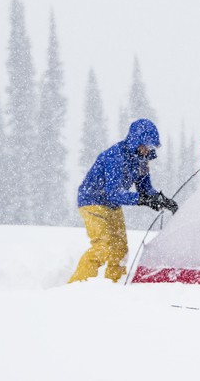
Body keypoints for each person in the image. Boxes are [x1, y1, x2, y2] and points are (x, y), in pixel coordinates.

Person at [68, 118, 178, 283]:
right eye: (146, 145)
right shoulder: (116, 157)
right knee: (103, 246)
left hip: (112, 205)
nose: (147, 150)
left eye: (151, 147)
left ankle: (114, 284)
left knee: (120, 249)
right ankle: (75, 286)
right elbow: (113, 193)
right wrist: (142, 200)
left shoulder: (142, 160)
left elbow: (145, 188)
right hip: (92, 201)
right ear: (136, 141)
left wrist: (161, 200)